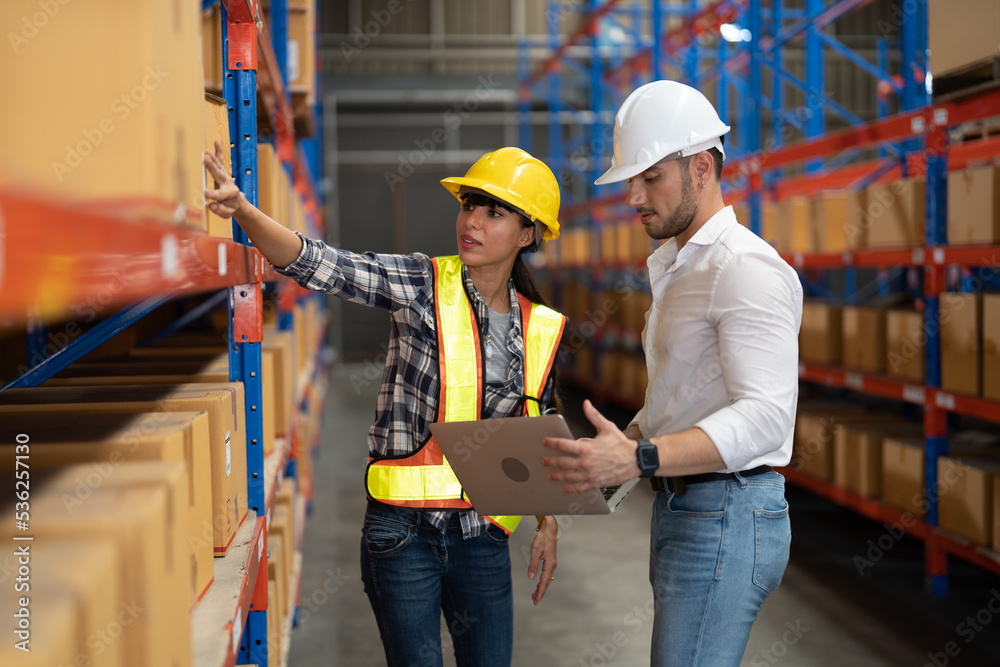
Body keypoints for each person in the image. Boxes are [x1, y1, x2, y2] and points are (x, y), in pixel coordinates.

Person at [203, 144, 566, 667]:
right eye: (468, 205)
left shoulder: (542, 327)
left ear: (528, 234)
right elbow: (320, 264)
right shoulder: (422, 284)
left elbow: (531, 433)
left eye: (494, 212)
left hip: (482, 538)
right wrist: (243, 210)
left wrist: (547, 521)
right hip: (403, 537)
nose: (472, 222)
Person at [541, 80, 803, 666]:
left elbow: (765, 418)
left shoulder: (745, 269)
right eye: (630, 180)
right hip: (687, 507)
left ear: (702, 167)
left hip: (728, 512)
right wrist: (615, 454)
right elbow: (684, 401)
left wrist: (639, 458)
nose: (633, 195)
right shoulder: (681, 266)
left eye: (649, 177)